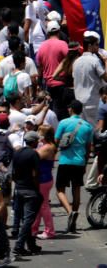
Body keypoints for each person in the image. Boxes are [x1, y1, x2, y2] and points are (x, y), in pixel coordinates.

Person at [55, 99, 94, 232]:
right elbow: (89, 148)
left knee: (60, 190)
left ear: (70, 109)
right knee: (76, 189)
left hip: (65, 161)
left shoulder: (64, 123)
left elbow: (56, 140)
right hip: (79, 162)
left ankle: (70, 211)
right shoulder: (88, 126)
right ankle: (74, 221)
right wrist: (84, 163)